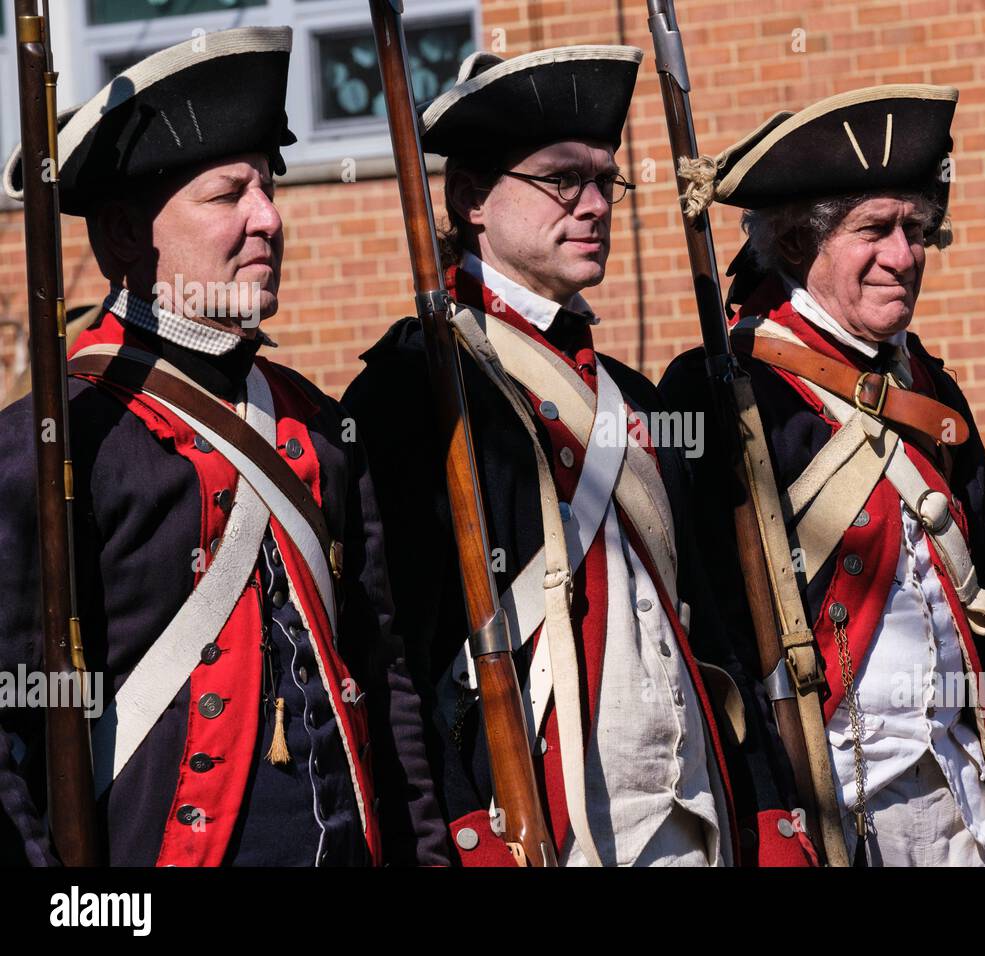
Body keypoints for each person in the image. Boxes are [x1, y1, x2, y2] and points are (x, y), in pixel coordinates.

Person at [0, 26, 445, 866]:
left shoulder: (314, 424)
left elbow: (384, 682)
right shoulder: (52, 442)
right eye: (228, 193)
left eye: (270, 187)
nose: (268, 218)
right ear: (126, 235)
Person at [345, 45, 796, 866]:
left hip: (691, 822)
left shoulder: (636, 398)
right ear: (472, 198)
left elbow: (708, 623)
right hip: (536, 832)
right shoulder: (410, 392)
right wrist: (455, 837)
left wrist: (769, 814)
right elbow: (391, 659)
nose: (594, 204)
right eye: (562, 180)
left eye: (606, 182)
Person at [658, 85, 985, 866]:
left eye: (917, 229)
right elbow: (710, 640)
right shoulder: (720, 391)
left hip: (973, 809)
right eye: (875, 230)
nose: (904, 256)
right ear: (798, 244)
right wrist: (769, 831)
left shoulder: (930, 390)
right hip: (832, 821)